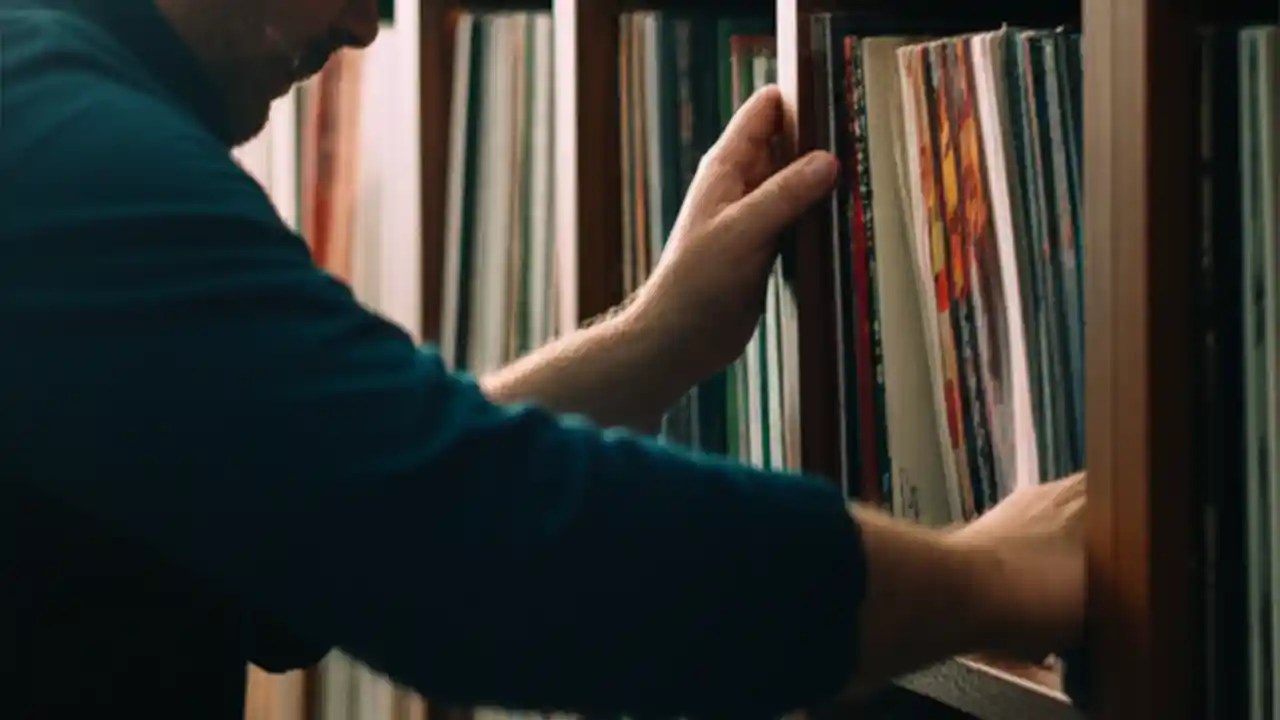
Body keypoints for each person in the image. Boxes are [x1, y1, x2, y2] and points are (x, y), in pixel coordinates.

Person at [0, 0, 1086, 716]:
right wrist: (994, 577)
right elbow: (463, 541)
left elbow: (301, 535)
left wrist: (655, 340)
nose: (368, 23)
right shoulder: (50, 139)